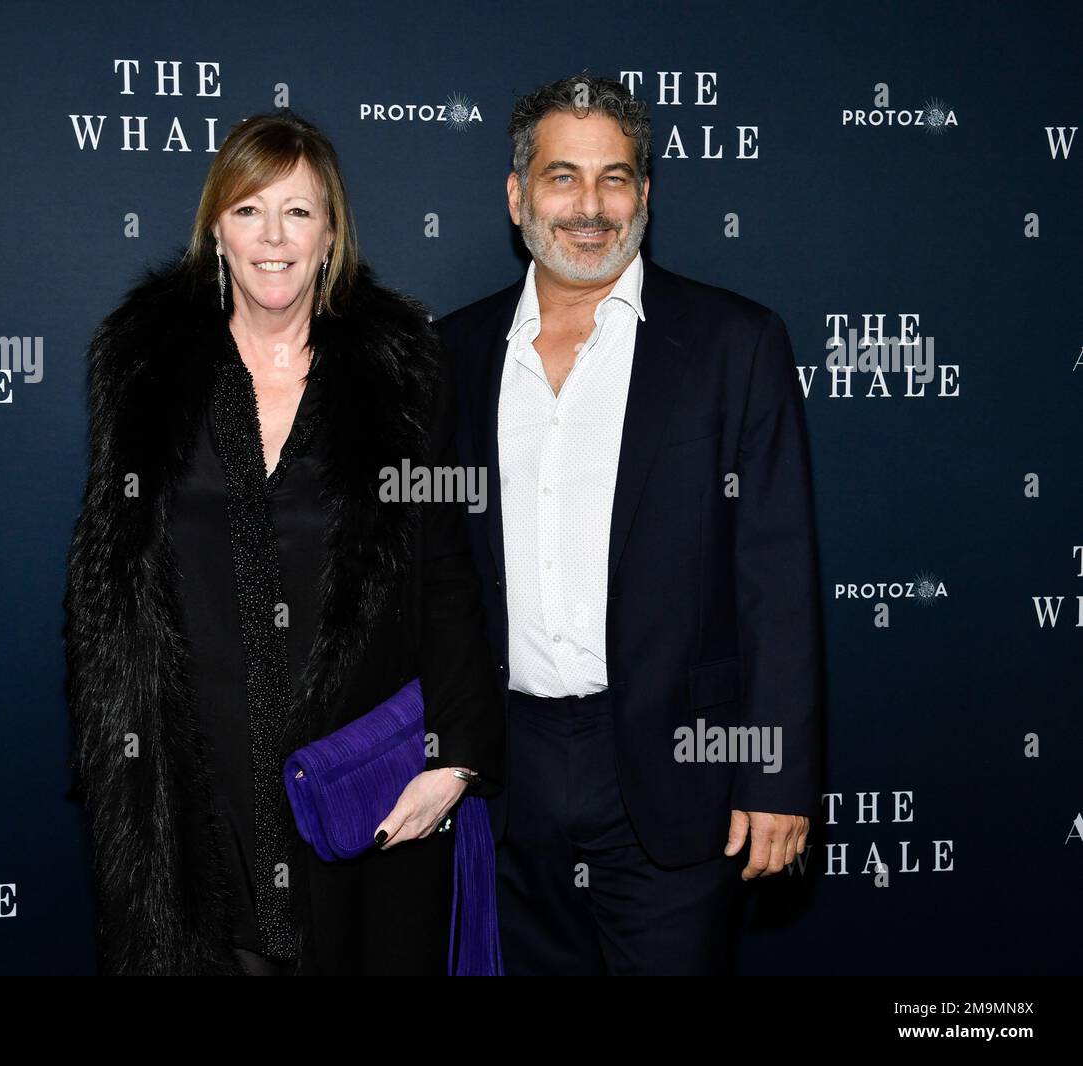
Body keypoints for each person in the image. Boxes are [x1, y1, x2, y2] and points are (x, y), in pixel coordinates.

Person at [62, 109, 504, 976]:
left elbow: (443, 571)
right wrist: (114, 750)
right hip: (198, 774)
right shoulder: (144, 364)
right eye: (249, 210)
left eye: (298, 212)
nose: (273, 237)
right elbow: (104, 574)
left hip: (349, 773)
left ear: (331, 232)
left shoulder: (400, 368)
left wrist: (457, 759)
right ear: (215, 229)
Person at [435, 72, 824, 975]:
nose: (590, 207)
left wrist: (775, 774)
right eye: (562, 177)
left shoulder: (735, 344)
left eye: (616, 178)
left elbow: (776, 575)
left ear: (645, 193)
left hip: (673, 774)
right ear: (517, 196)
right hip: (505, 776)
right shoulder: (450, 353)